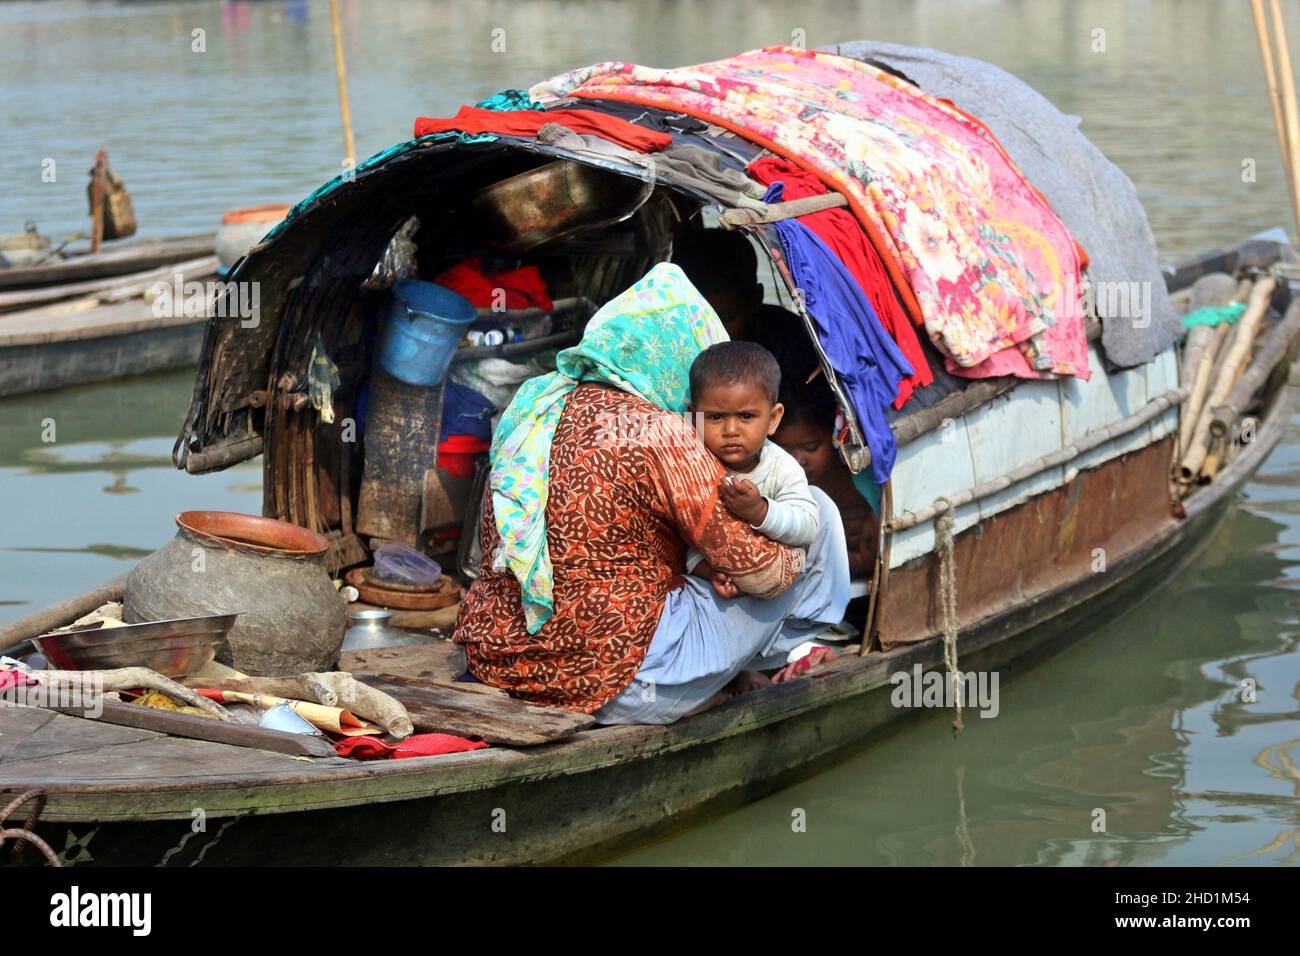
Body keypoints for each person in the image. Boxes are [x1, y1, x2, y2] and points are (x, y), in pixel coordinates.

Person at [454, 263, 850, 724]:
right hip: (622, 685)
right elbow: (765, 577)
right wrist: (749, 559)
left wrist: (706, 566)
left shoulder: (534, 409)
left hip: (504, 664)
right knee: (816, 514)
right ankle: (738, 671)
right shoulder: (662, 431)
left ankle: (727, 672)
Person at [684, 341, 819, 600]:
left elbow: (808, 526)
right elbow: (689, 540)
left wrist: (760, 511)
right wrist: (708, 572)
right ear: (694, 418)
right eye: (715, 417)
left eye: (746, 416)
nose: (731, 430)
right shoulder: (694, 470)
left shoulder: (781, 467)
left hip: (780, 591)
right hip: (717, 591)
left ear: (773, 419)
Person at [774, 379, 879, 580]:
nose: (799, 460)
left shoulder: (861, 481)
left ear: (835, 440)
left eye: (811, 447)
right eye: (786, 450)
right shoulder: (776, 486)